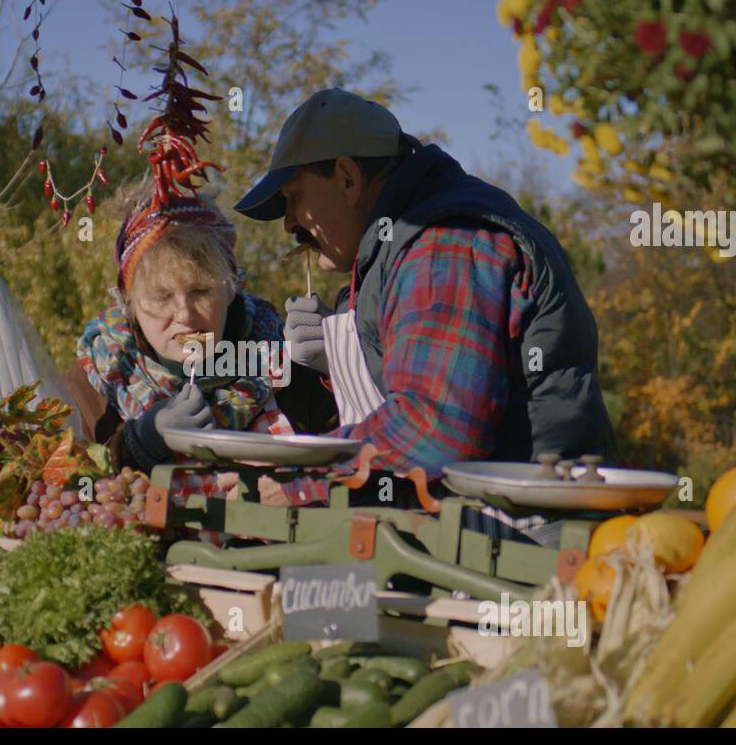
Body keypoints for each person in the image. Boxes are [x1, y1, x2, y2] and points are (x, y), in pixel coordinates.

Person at [235, 87, 617, 487]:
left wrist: (302, 475)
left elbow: (436, 431)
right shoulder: (391, 248)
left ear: (347, 179)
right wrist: (332, 367)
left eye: (294, 197)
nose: (289, 224)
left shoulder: (443, 241)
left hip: (527, 529)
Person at [64, 178, 333, 488]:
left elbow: (363, 463)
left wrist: (342, 370)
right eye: (162, 296)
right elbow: (71, 496)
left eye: (201, 291)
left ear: (231, 288)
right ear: (129, 303)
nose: (185, 314)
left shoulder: (292, 364)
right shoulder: (91, 384)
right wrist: (139, 443)